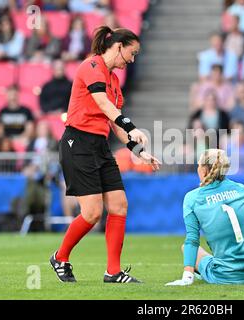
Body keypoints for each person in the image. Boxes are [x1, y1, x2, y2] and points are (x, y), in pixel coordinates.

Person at [49, 26, 161, 283]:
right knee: (92, 214)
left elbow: (113, 122)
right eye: (131, 54)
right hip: (77, 143)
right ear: (119, 46)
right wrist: (132, 126)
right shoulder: (91, 66)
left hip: (99, 145)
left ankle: (113, 272)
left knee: (120, 205)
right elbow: (103, 103)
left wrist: (137, 150)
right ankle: (60, 257)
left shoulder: (114, 79)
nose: (132, 60)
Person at [165, 149, 244, 286]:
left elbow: (192, 240)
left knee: (186, 248)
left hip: (227, 276)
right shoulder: (243, 189)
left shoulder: (192, 198)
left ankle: (194, 276)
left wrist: (186, 278)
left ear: (203, 170)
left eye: (198, 165)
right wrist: (242, 246)